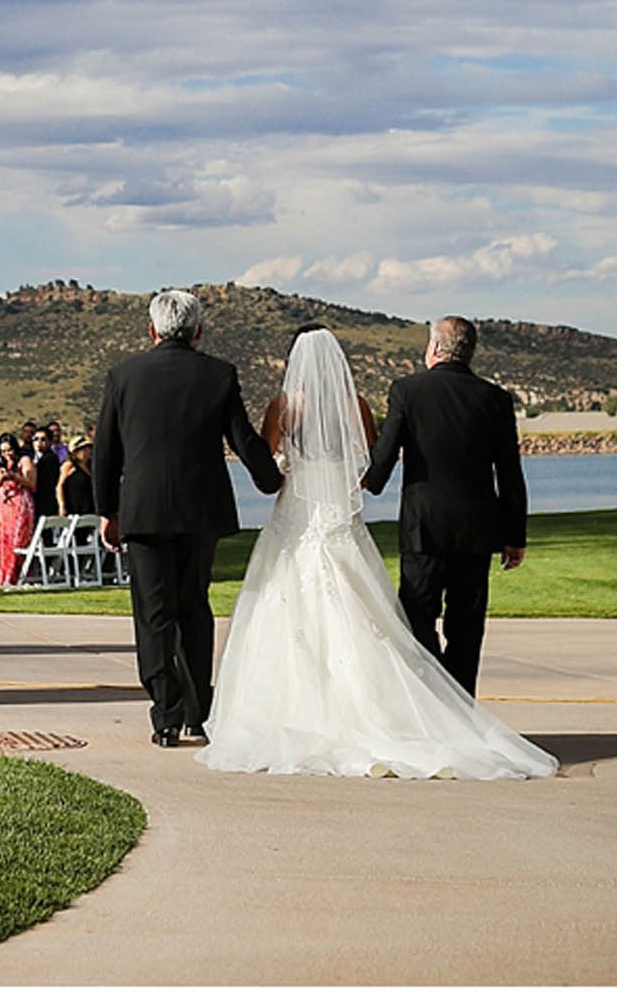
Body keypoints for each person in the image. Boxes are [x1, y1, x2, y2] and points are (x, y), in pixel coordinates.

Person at [198, 328, 556, 781]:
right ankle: (446, 713)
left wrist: (288, 471)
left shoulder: (285, 407)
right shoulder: (360, 406)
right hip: (363, 525)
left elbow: (268, 466)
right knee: (425, 624)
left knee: (341, 619)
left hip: (307, 519)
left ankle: (328, 713)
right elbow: (372, 462)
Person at [94, 288, 282, 748]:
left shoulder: (124, 375)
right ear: (198, 330)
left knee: (154, 613)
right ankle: (199, 712)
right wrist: (272, 478)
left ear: (152, 329)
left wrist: (107, 512)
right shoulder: (219, 374)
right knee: (194, 607)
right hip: (201, 511)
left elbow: (105, 453)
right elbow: (242, 438)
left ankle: (165, 715)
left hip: (143, 509)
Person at [363, 315, 531, 696]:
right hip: (476, 531)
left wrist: (370, 481)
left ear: (436, 348)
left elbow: (383, 458)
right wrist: (515, 536)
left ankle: (434, 702)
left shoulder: (407, 391)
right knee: (467, 627)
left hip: (424, 528)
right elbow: (509, 473)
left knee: (417, 619)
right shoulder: (496, 398)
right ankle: (461, 709)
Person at [0, 432, 36, 583]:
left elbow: (32, 484)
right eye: (3, 451)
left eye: (9, 450)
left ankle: (17, 574)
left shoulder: (25, 460)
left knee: (18, 538)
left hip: (20, 502)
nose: (7, 454)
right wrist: (2, 476)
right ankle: (3, 575)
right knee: (4, 540)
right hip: (4, 505)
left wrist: (16, 477)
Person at [57, 435, 96, 516]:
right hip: (74, 508)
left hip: (90, 507)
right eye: (84, 449)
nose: (88, 451)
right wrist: (62, 506)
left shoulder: (91, 467)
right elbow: (59, 486)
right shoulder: (69, 465)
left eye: (89, 448)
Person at [29, 427, 61, 519]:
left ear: (50, 442)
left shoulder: (50, 458)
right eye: (36, 439)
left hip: (45, 503)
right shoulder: (33, 457)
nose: (39, 442)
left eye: (43, 439)